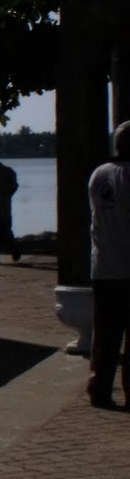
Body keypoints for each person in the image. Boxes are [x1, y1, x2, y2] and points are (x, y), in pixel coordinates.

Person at [87, 121, 130, 409]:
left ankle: (99, 390)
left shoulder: (98, 174)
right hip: (127, 268)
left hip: (103, 268)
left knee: (104, 335)